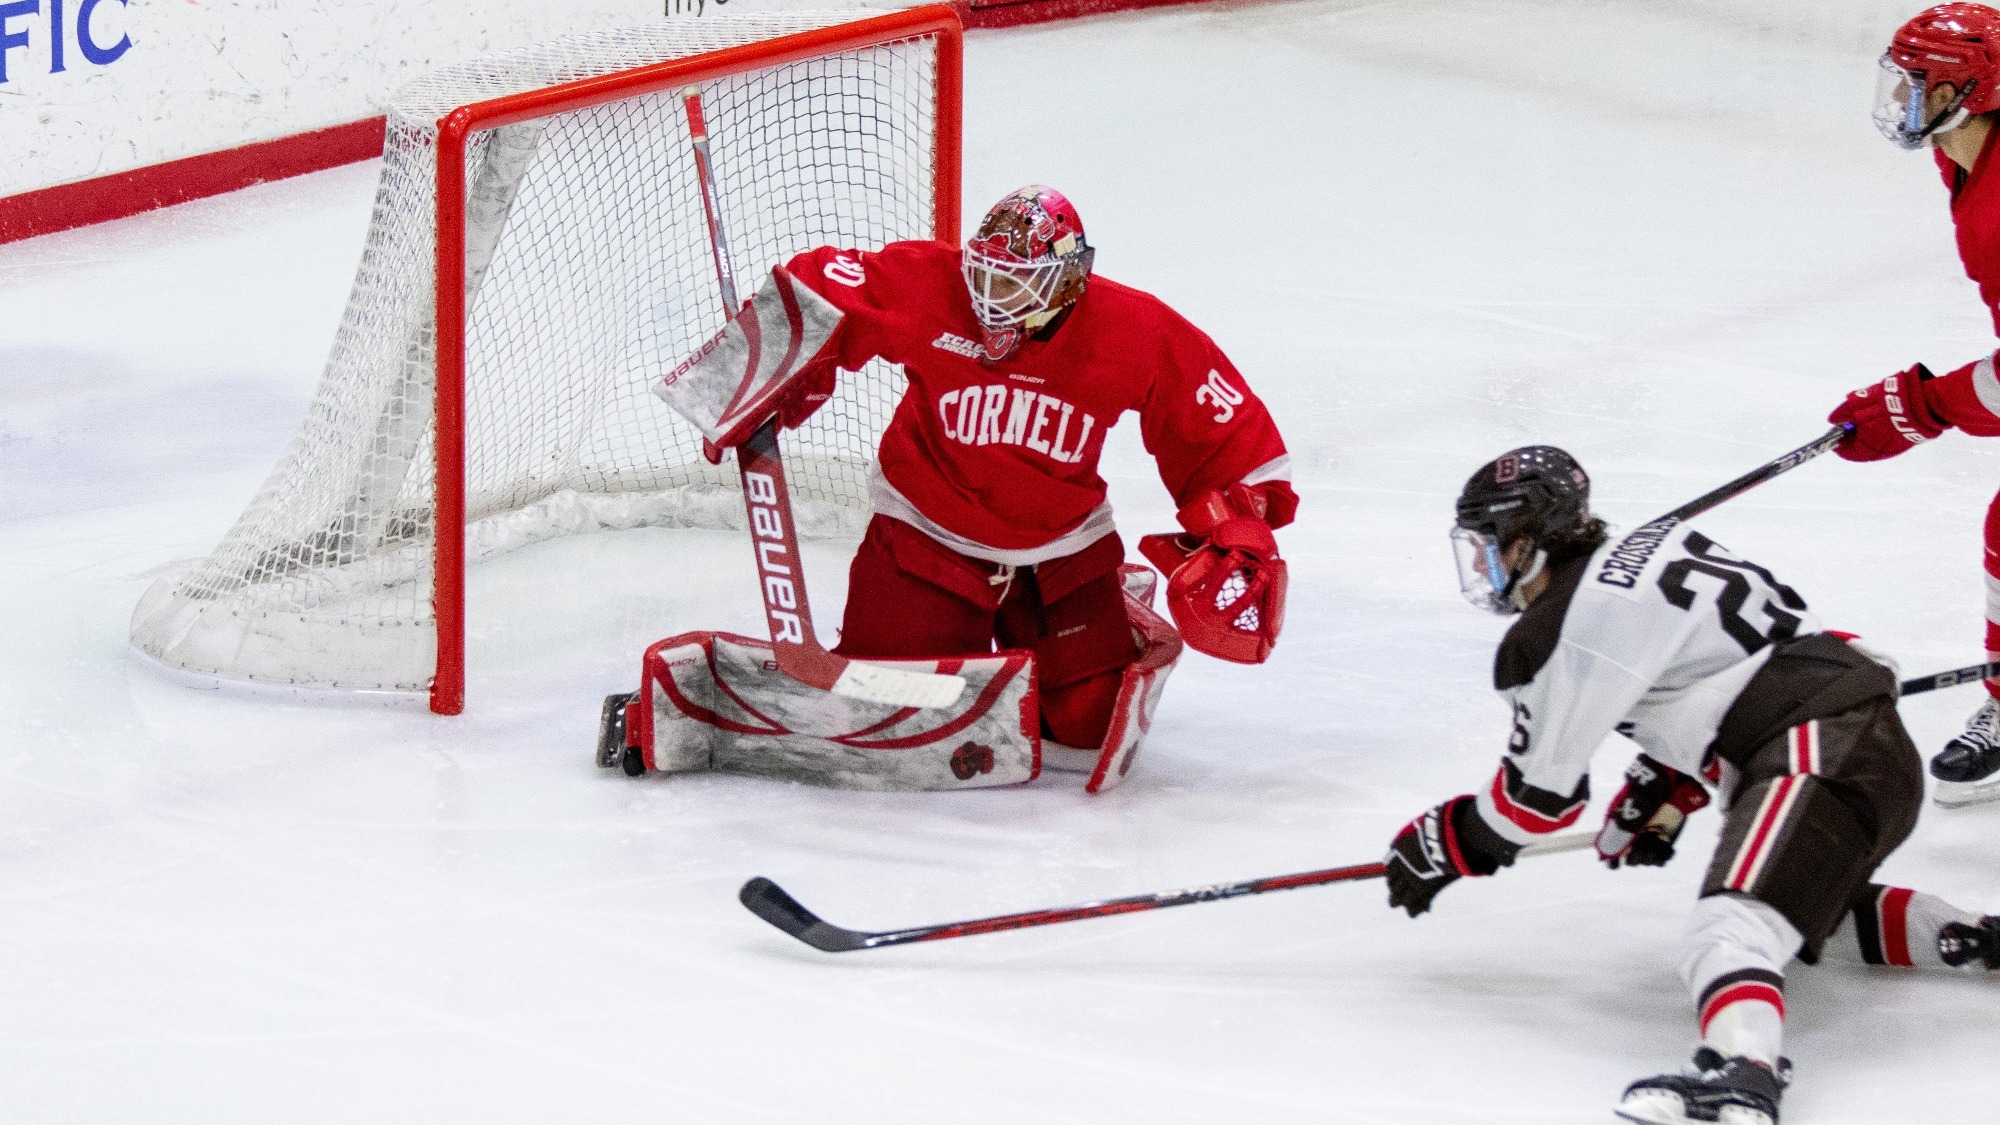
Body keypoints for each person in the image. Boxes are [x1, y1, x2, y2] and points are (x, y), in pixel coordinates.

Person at [1382, 446, 2000, 1125]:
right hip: (1868, 747)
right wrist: (1664, 780)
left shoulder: (1557, 630)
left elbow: (1535, 802)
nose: (1480, 564)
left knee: (1727, 930)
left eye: (1488, 544)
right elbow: (1721, 663)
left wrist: (1450, 840)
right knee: (1798, 917)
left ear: (1526, 541)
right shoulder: (1651, 546)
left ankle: (1741, 1076)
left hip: (1814, 751)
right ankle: (1978, 938)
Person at [628, 185, 1294, 788]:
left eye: (1015, 286)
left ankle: (1104, 601)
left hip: (1059, 544)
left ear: (1068, 283)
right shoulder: (933, 285)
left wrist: (1237, 528)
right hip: (928, 532)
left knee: (1087, 721)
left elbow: (1215, 418)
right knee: (899, 718)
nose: (989, 301)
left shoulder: (1133, 329)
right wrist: (755, 369)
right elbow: (826, 288)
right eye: (985, 277)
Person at [1832, 2, 2000, 805]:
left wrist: (1922, 407)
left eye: (1915, 87)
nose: (1899, 102)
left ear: (1968, 90)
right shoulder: (1962, 151)